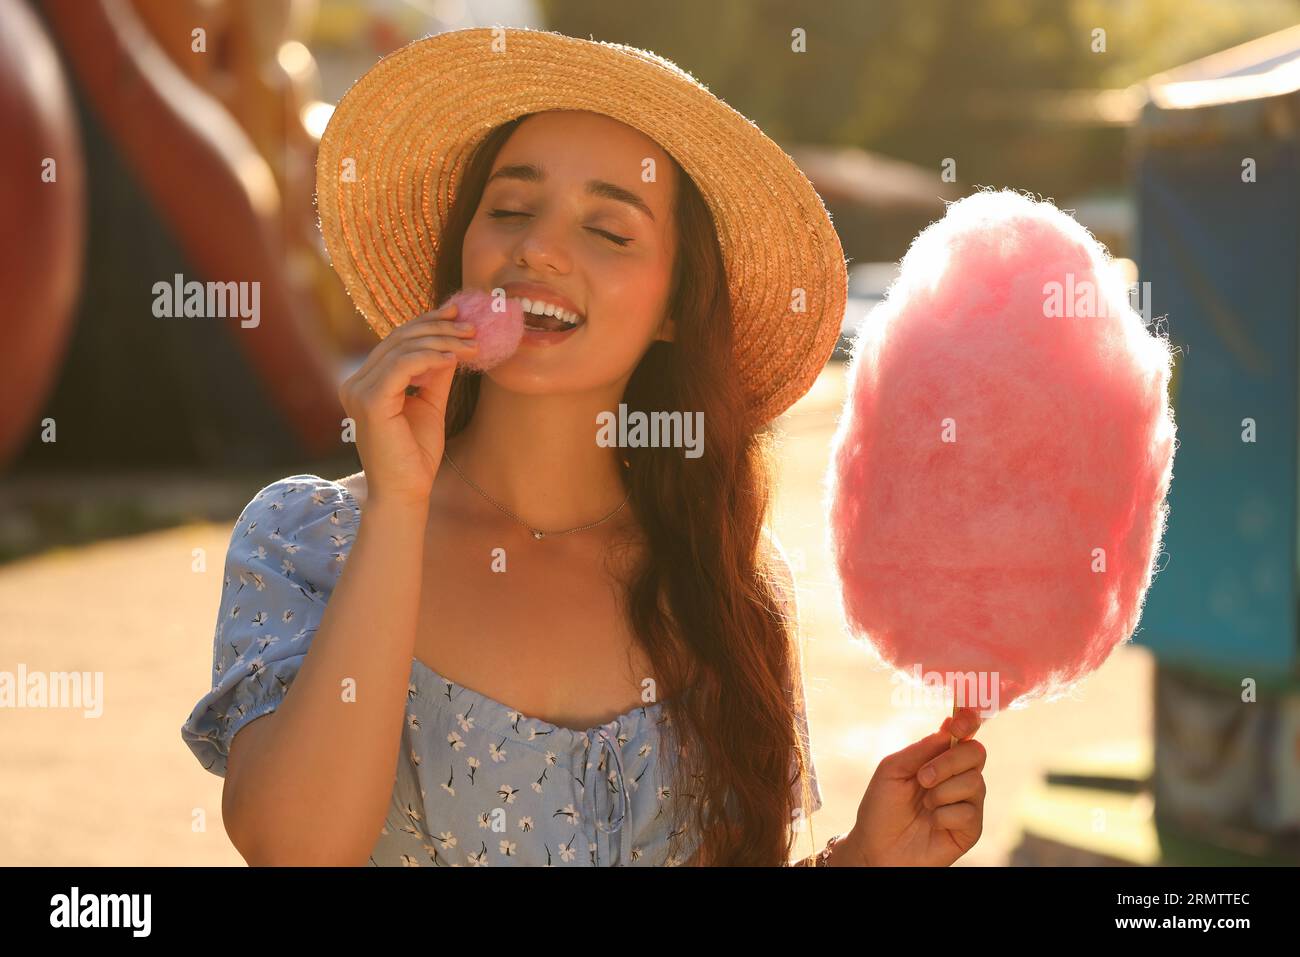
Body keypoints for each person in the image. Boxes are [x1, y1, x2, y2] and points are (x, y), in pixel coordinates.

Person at [180, 26, 986, 866]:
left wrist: (866, 859)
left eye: (609, 229)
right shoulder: (305, 539)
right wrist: (400, 505)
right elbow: (296, 848)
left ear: (675, 305)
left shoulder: (723, 577)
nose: (538, 248)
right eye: (511, 210)